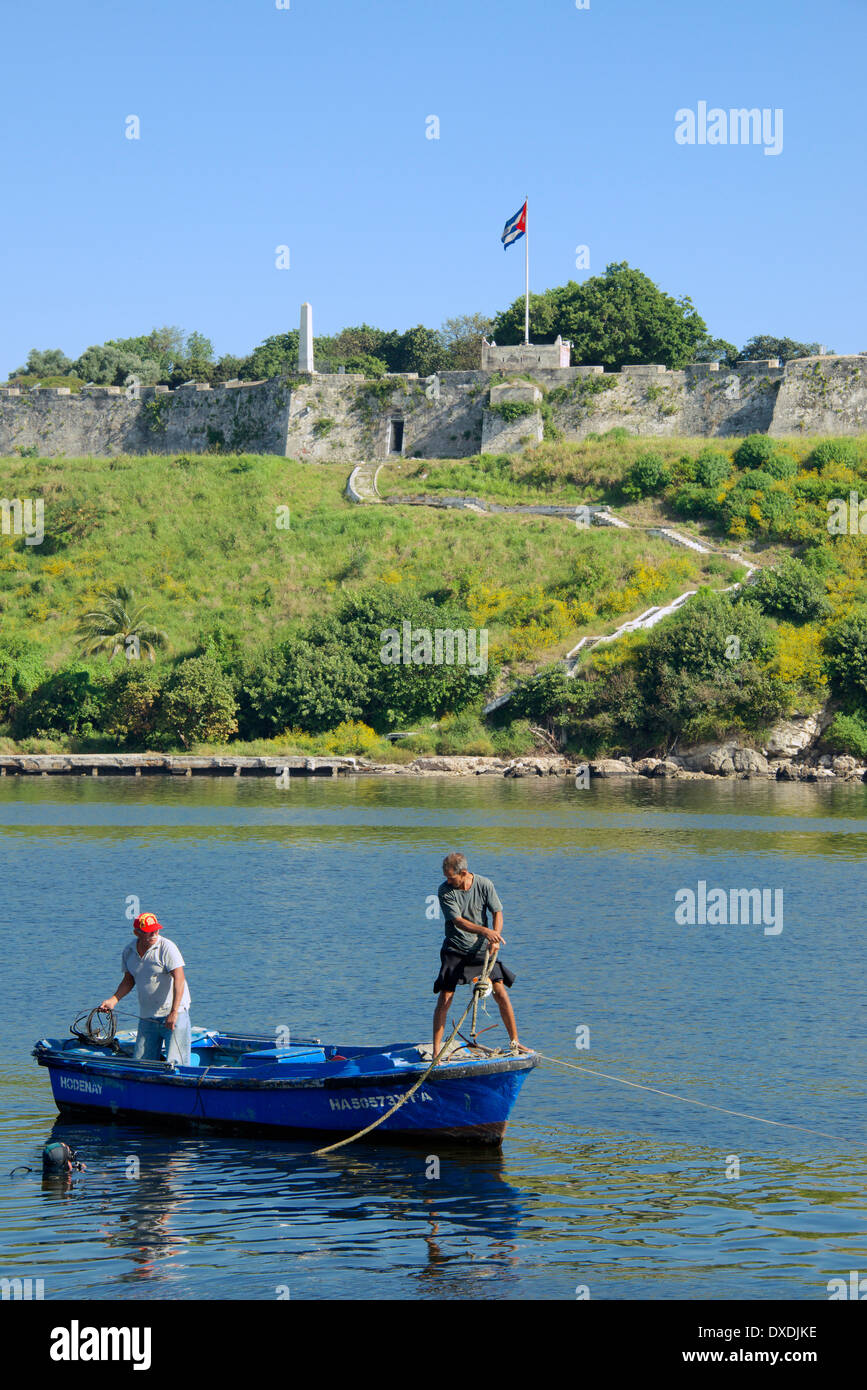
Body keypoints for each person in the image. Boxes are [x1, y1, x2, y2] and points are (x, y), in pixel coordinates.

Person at [433, 852, 526, 1058]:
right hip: (455, 949)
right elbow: (458, 921)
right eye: (446, 877)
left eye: (451, 877)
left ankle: (515, 1042)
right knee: (446, 997)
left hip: (480, 950)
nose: (447, 881)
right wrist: (486, 932)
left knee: (500, 991)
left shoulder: (484, 884)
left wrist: (495, 937)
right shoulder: (445, 891)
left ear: (464, 873)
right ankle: (436, 1051)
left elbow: (497, 913)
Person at [100, 911, 192, 1066]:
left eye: (156, 930)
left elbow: (179, 979)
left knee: (176, 1064)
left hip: (174, 1014)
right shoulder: (129, 951)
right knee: (142, 1063)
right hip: (147, 1016)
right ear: (137, 933)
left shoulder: (167, 948)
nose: (154, 934)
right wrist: (113, 1000)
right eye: (149, 932)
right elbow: (128, 981)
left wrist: (174, 1012)